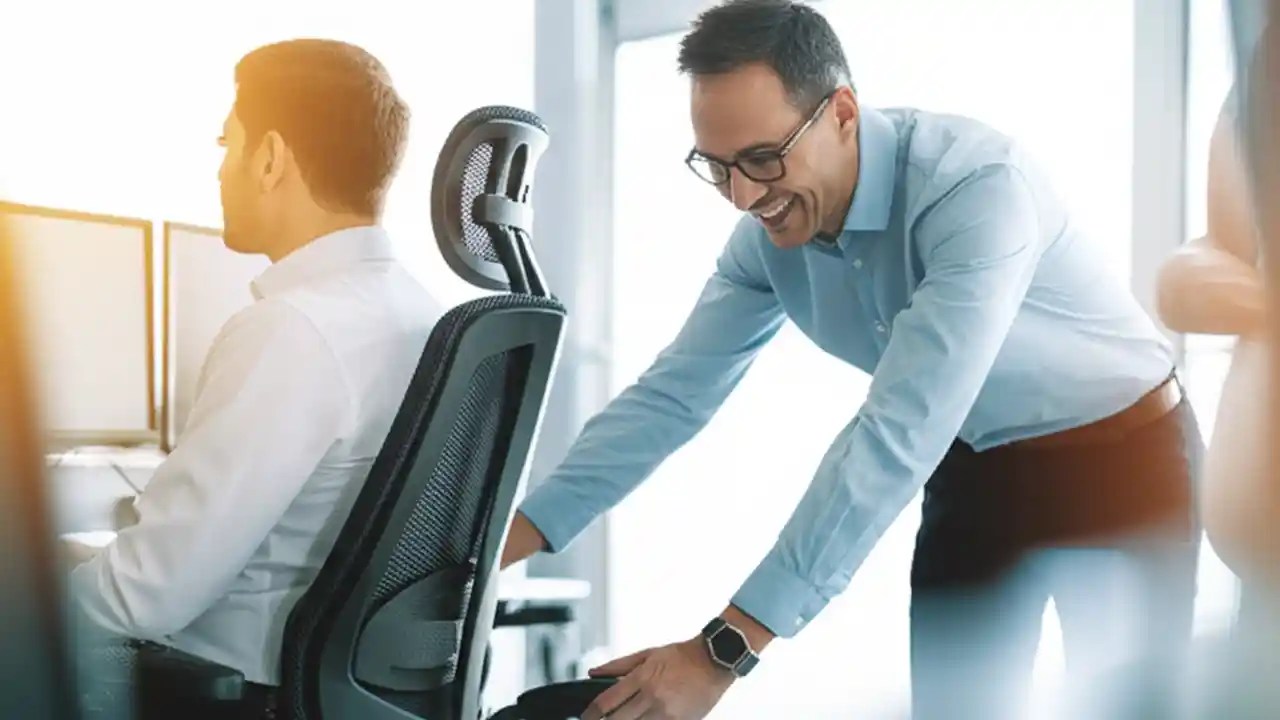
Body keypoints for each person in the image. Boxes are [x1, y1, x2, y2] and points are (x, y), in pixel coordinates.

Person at [500, 2, 1201, 719]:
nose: (743, 197)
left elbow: (898, 429)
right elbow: (672, 398)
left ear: (841, 113)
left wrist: (724, 649)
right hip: (976, 469)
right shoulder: (767, 239)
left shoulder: (977, 188)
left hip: (1122, 459)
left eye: (763, 160)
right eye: (717, 168)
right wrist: (484, 555)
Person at [67, 38, 443, 712]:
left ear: (268, 158)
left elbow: (144, 595)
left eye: (226, 143)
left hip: (241, 695)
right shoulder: (422, 314)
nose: (220, 170)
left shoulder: (294, 329)